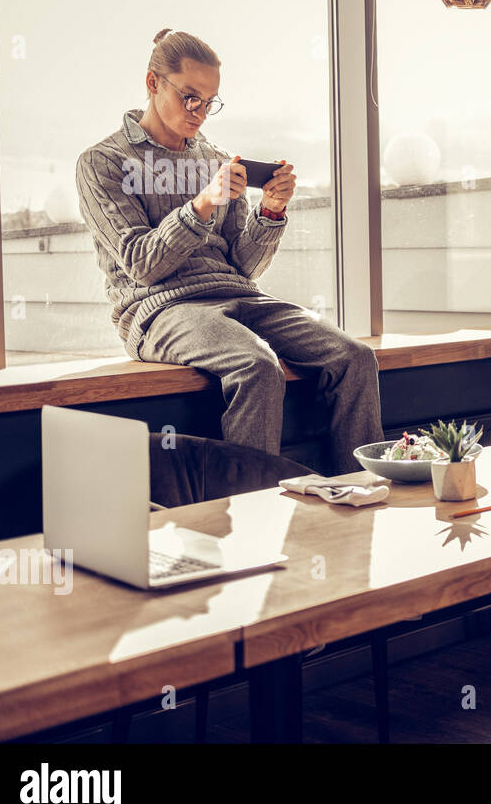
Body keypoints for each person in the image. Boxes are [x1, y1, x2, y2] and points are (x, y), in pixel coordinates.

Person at [76, 28, 384, 473]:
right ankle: (253, 508)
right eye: (189, 97)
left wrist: (270, 213)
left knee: (355, 357)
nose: (199, 112)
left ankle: (360, 493)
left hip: (237, 295)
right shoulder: (102, 162)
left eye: (209, 101)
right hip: (158, 310)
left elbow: (244, 267)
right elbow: (142, 265)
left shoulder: (215, 160)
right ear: (152, 83)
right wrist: (203, 203)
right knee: (257, 366)